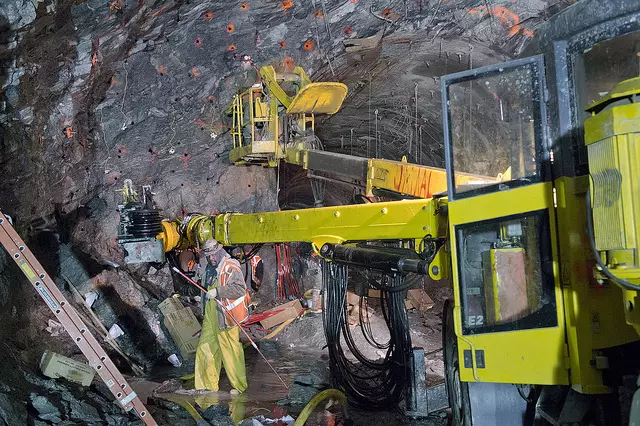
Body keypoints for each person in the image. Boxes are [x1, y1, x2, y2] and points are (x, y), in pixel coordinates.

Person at [194, 239, 249, 394]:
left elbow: (239, 290)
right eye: (208, 256)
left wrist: (218, 291)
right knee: (205, 348)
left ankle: (239, 386)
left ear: (220, 251)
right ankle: (206, 385)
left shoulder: (231, 266)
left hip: (226, 316)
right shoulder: (208, 268)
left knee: (231, 351)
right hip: (211, 315)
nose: (212, 258)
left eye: (213, 255)